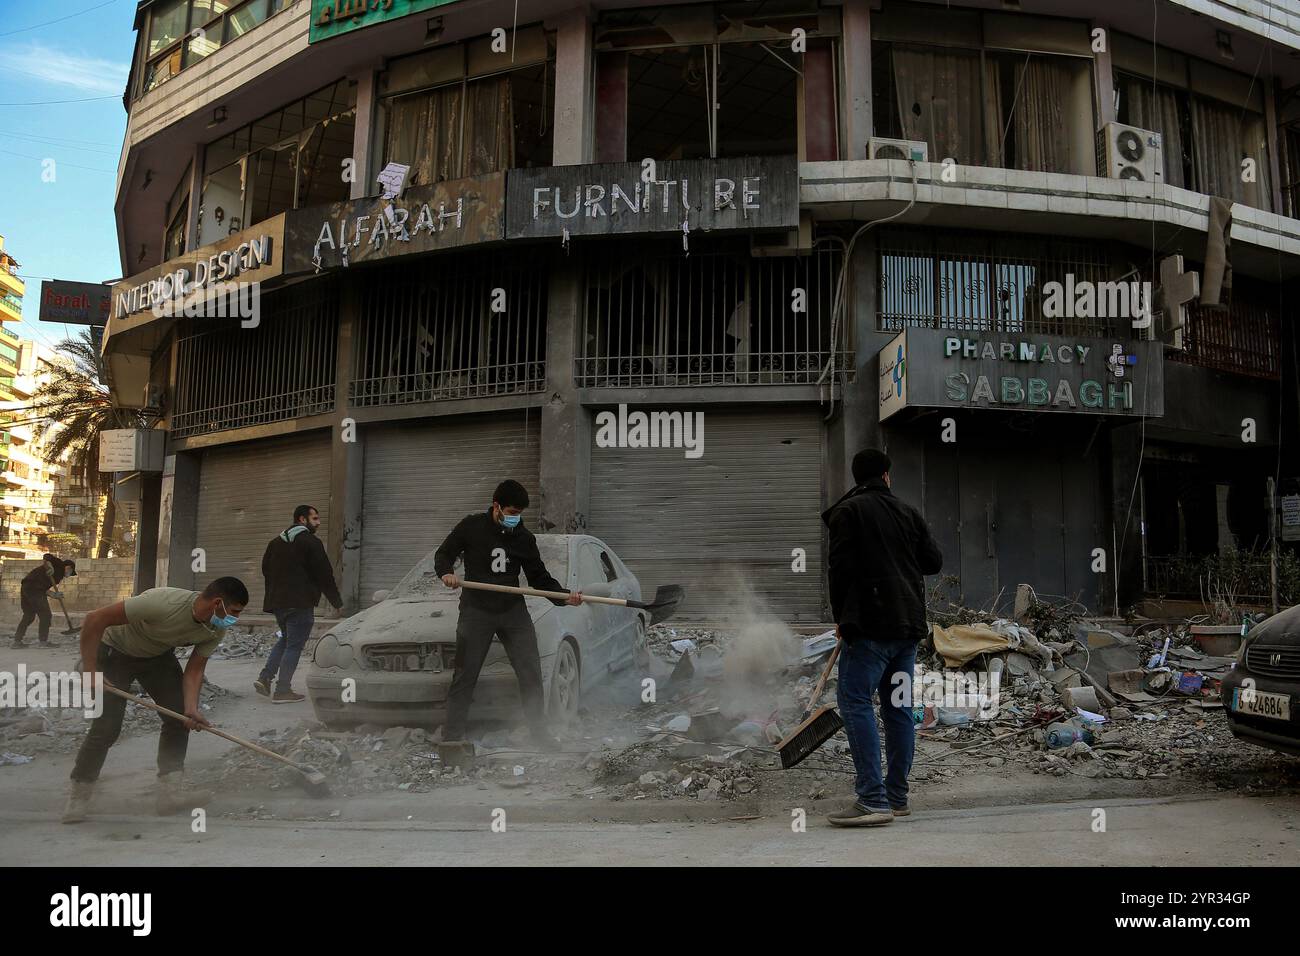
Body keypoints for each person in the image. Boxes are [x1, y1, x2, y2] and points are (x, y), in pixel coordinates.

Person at [62, 577, 249, 824]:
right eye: (234, 611)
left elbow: (194, 670)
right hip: (114, 653)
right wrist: (90, 670)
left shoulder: (216, 628)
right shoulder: (162, 603)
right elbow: (95, 618)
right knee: (107, 727)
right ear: (217, 603)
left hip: (157, 658)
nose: (234, 618)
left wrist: (191, 709)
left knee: (179, 718)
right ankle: (79, 795)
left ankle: (169, 794)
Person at [822, 449, 943, 827]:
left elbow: (838, 572)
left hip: (870, 628)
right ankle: (896, 797)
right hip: (906, 628)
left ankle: (872, 800)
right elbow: (933, 562)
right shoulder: (908, 513)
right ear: (887, 476)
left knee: (856, 702)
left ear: (857, 477)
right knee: (898, 708)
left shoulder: (848, 512)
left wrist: (842, 618)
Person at [434, 479, 582, 751]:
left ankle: (540, 735)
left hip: (512, 610)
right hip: (476, 610)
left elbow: (539, 577)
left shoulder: (524, 538)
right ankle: (452, 738)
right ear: (496, 506)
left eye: (519, 513)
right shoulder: (471, 527)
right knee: (465, 674)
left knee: (530, 672)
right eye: (511, 512)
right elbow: (443, 554)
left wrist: (564, 596)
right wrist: (446, 572)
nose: (515, 518)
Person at [257, 504, 343, 704]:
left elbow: (265, 570)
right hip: (300, 603)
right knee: (294, 646)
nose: (319, 523)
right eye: (315, 519)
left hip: (278, 604)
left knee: (286, 640)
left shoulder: (274, 543)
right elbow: (325, 575)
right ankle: (282, 691)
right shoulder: (311, 542)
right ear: (302, 520)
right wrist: (336, 602)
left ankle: (265, 677)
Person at [11, 554, 76, 647]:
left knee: (29, 615)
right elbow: (47, 556)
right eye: (71, 572)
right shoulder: (59, 564)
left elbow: (42, 587)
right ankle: (43, 642)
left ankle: (17, 642)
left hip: (28, 587)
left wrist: (53, 594)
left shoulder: (58, 577)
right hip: (32, 589)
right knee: (46, 615)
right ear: (68, 568)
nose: (69, 575)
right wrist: (50, 567)